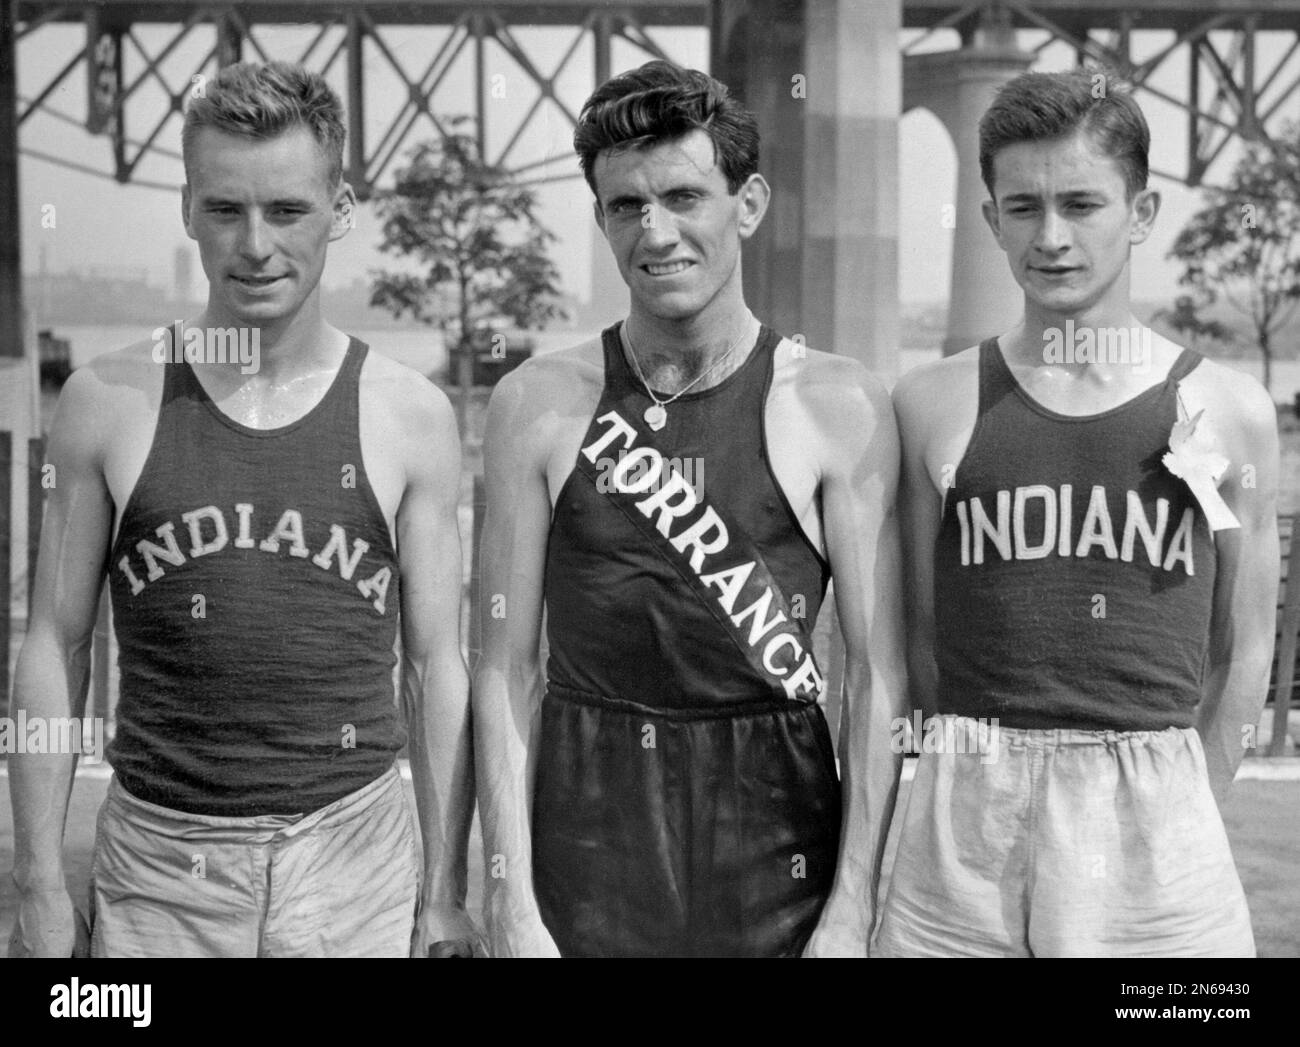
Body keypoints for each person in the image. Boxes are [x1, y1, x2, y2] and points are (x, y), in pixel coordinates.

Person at [8, 61, 478, 958]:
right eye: (226, 209)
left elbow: (434, 663)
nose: (256, 244)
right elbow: (54, 642)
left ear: (339, 209)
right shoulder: (108, 399)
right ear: (189, 209)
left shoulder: (409, 413)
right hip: (158, 868)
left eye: (288, 210)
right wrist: (36, 879)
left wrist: (446, 889)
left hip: (356, 858)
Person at [473, 60, 907, 958]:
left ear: (747, 205)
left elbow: (875, 675)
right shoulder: (537, 402)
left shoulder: (838, 402)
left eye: (683, 196)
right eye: (627, 206)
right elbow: (502, 670)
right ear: (600, 218)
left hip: (774, 833)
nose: (656, 231)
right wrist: (512, 903)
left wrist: (850, 908)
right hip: (586, 831)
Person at [880, 68, 1280, 957]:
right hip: (965, 831)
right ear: (988, 219)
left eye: (1082, 204)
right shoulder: (932, 404)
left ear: (1140, 213)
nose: (1052, 237)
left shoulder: (1229, 407)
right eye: (1022, 208)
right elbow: (917, 640)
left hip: (1158, 827)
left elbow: (1241, 646)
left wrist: (1186, 808)